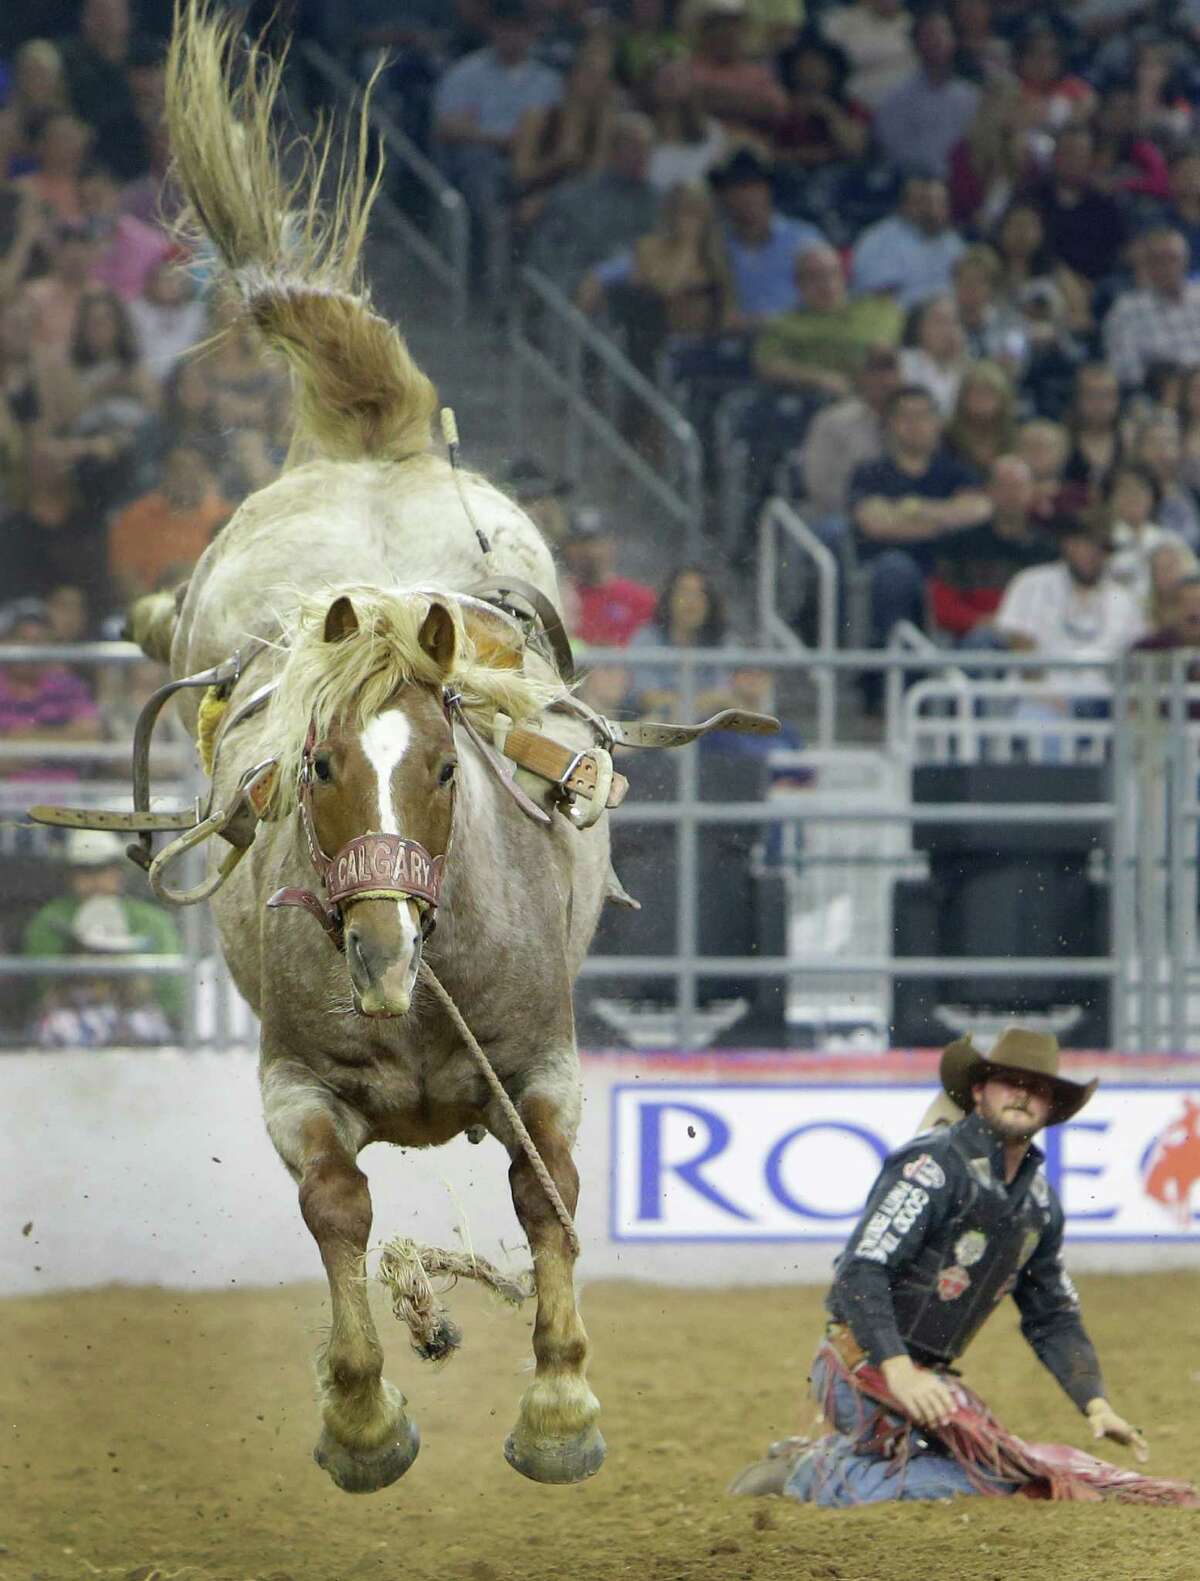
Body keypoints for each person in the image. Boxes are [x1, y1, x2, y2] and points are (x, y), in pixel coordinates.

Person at [730, 1029, 1196, 1507]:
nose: (1022, 1094)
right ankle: (813, 1474)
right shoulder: (932, 1165)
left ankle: (831, 1461)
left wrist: (1095, 1403)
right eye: (1009, 1081)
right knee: (991, 1483)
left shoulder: (1039, 1205)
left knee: (1000, 1472)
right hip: (865, 1366)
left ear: (1051, 1107)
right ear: (979, 1091)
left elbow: (1052, 1312)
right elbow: (861, 1270)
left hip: (926, 1379)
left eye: (1036, 1087)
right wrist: (900, 1371)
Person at [850, 384, 991, 648]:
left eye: (923, 416)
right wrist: (946, 519)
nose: (915, 425)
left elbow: (978, 511)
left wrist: (910, 509)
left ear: (938, 422)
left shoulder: (958, 471)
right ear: (889, 423)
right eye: (905, 416)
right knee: (895, 568)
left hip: (949, 574)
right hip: (890, 573)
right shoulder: (870, 473)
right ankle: (893, 672)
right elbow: (875, 524)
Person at [23, 827, 183, 1045]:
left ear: (118, 871)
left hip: (137, 1015)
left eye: (103, 868)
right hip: (70, 1019)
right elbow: (41, 986)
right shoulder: (48, 921)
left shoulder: (153, 921)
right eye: (85, 870)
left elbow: (171, 991)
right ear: (71, 875)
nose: (95, 879)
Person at [433, 0, 562, 255]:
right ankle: (489, 266)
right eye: (506, 28)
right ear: (493, 29)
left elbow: (559, 132)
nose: (513, 36)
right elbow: (447, 127)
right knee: (483, 173)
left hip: (536, 165)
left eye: (520, 29)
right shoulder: (467, 73)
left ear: (532, 31)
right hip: (483, 160)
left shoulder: (549, 81)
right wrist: (501, 140)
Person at [526, 112, 661, 297]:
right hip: (576, 291)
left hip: (637, 289)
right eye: (635, 147)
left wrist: (608, 274)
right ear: (613, 149)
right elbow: (545, 259)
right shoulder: (572, 198)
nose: (643, 155)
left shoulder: (659, 202)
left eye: (648, 148)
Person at [753, 244, 902, 397]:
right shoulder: (782, 324)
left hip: (888, 392)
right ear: (798, 284)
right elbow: (768, 366)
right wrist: (818, 378)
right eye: (814, 277)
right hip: (824, 399)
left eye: (833, 273)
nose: (826, 284)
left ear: (845, 277)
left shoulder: (878, 308)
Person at [708, 146, 825, 323]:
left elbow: (827, 298)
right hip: (732, 341)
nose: (746, 196)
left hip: (797, 337)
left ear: (767, 189)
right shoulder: (715, 244)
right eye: (736, 187)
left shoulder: (803, 239)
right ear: (724, 196)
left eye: (754, 186)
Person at [107, 444, 230, 599]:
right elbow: (125, 578)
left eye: (195, 469)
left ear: (208, 475)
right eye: (179, 469)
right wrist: (159, 613)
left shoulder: (227, 518)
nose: (186, 477)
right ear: (164, 474)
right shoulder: (135, 518)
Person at [793, 344, 900, 522]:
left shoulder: (913, 420)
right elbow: (817, 485)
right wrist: (864, 508)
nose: (886, 380)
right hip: (839, 515)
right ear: (860, 376)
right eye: (876, 371)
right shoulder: (832, 421)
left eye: (891, 371)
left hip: (901, 517)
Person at [872, 9, 981, 181]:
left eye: (943, 33)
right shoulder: (895, 98)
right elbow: (892, 150)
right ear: (915, 43)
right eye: (929, 35)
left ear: (954, 40)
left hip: (960, 185)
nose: (937, 41)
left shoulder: (971, 97)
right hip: (911, 185)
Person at [626, 564, 733, 717]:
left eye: (700, 593)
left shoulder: (723, 642)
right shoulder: (646, 639)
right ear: (669, 598)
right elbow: (647, 697)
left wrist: (678, 704)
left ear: (711, 601)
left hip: (716, 733)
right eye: (684, 592)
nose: (692, 601)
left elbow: (727, 698)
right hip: (661, 731)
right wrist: (700, 704)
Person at [1103, 228, 1200, 391]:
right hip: (1163, 393)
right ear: (1146, 265)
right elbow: (1124, 373)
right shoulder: (1126, 310)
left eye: (1173, 259)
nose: (1167, 267)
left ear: (1186, 260)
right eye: (1158, 260)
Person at [850, 175, 966, 310]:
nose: (933, 211)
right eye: (925, 202)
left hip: (944, 320)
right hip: (893, 322)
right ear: (904, 205)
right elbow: (877, 300)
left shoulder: (952, 241)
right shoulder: (880, 240)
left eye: (941, 203)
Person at [686, 0, 788, 140]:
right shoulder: (687, 68)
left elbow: (776, 109)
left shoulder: (758, 74)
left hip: (748, 152)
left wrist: (712, 98)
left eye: (734, 26)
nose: (727, 32)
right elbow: (681, 103)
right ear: (704, 30)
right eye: (718, 25)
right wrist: (746, 103)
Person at [560, 508, 657, 646]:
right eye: (579, 543)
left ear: (611, 545)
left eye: (595, 542)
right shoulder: (559, 596)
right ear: (568, 548)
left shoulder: (640, 598)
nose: (588, 551)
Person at [897, 292, 967, 416]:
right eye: (939, 322)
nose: (948, 329)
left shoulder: (966, 368)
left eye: (954, 322)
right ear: (920, 327)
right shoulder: (902, 362)